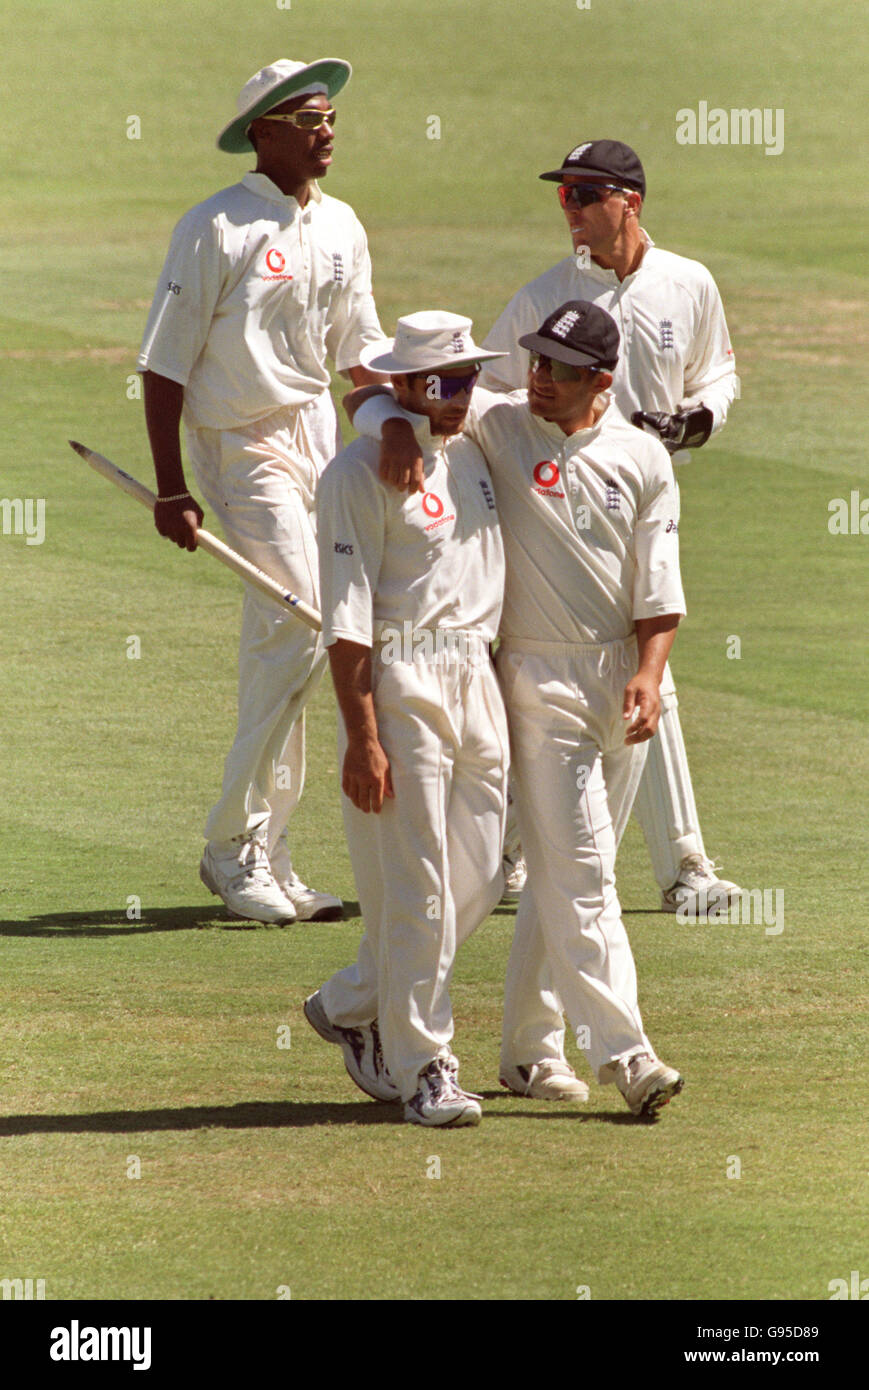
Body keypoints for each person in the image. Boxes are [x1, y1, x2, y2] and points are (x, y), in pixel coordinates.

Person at [350, 301, 686, 1117]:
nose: (536, 378)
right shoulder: (498, 425)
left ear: (599, 381)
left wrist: (648, 672)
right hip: (534, 682)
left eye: (557, 369)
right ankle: (626, 1052)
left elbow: (660, 584)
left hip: (625, 686)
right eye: (533, 362)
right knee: (580, 873)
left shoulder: (641, 456)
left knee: (561, 874)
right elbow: (368, 382)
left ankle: (521, 1049)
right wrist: (392, 425)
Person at [137, 58, 387, 925]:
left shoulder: (343, 225)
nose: (326, 131)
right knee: (303, 626)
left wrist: (409, 429)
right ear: (263, 132)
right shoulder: (214, 226)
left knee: (292, 646)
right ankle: (228, 844)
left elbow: (361, 355)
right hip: (237, 446)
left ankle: (268, 853)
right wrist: (173, 490)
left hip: (318, 436)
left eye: (330, 118)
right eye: (308, 118)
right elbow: (162, 365)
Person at [480, 139, 739, 921]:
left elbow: (718, 371)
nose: (571, 211)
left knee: (637, 674)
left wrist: (698, 418)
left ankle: (656, 865)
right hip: (554, 511)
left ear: (629, 201)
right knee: (596, 677)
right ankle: (671, 866)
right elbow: (490, 388)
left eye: (585, 196)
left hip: (647, 502)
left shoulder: (686, 283)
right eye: (562, 197)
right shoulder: (543, 295)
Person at [304, 311, 510, 1127]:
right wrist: (362, 736)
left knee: (483, 876)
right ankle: (425, 1065)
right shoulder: (356, 475)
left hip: (477, 673)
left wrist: (391, 413)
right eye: (439, 384)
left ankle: (353, 1000)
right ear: (404, 383)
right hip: (402, 676)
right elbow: (345, 619)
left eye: (464, 379)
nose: (457, 396)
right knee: (418, 885)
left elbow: (361, 393)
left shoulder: (479, 437)